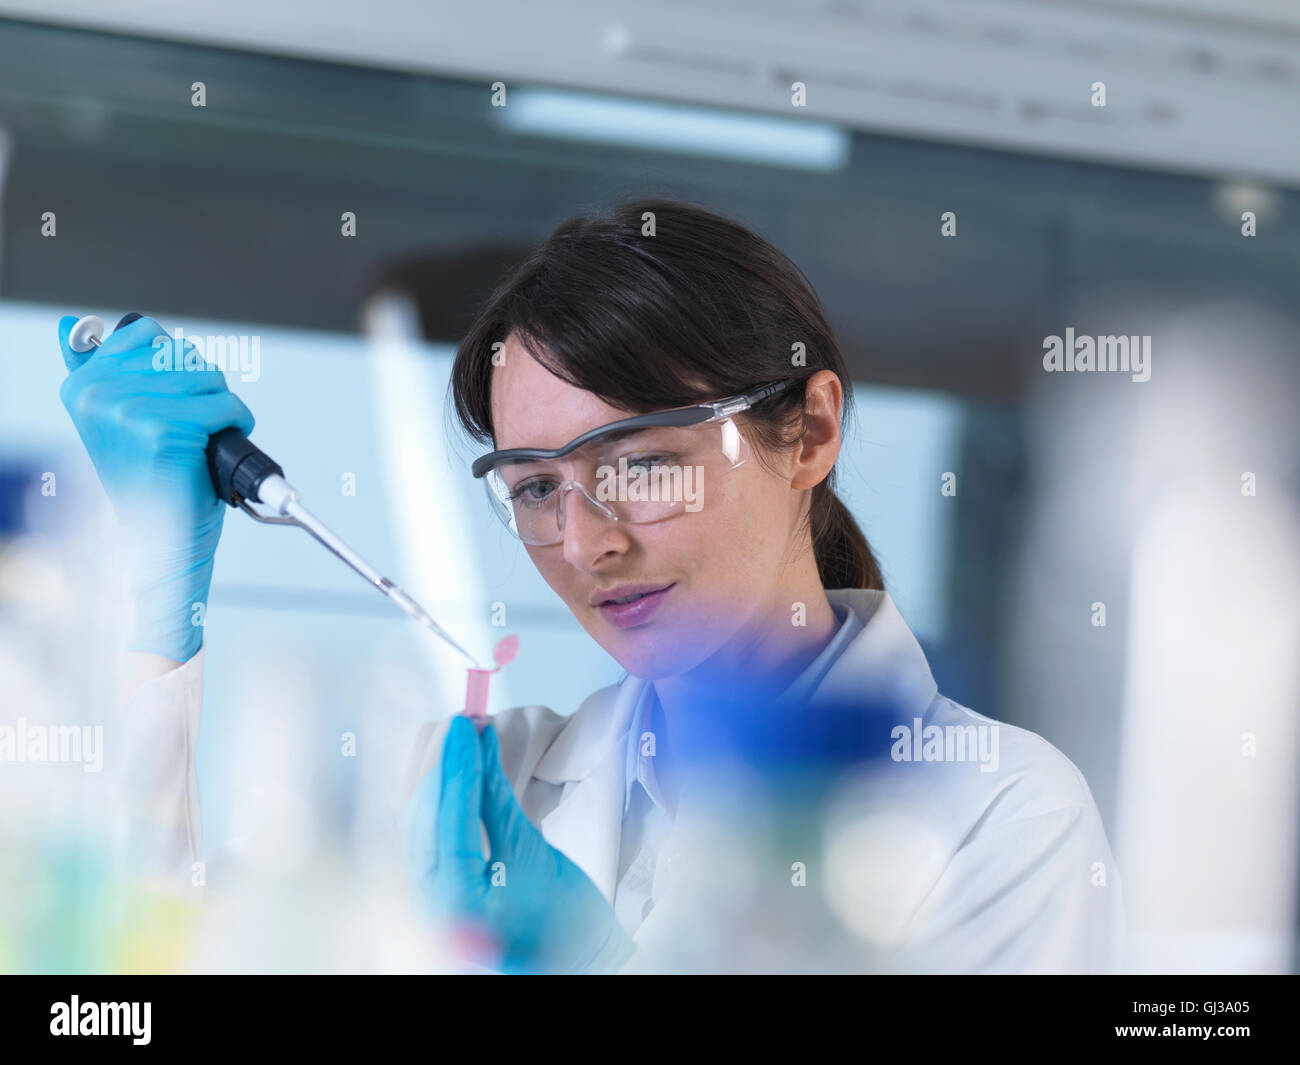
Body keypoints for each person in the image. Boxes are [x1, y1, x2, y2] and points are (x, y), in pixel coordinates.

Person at [57, 197, 1123, 975]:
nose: (585, 543)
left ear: (808, 433)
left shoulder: (999, 815)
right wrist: (154, 596)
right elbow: (133, 976)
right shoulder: (484, 790)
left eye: (640, 464)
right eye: (532, 488)